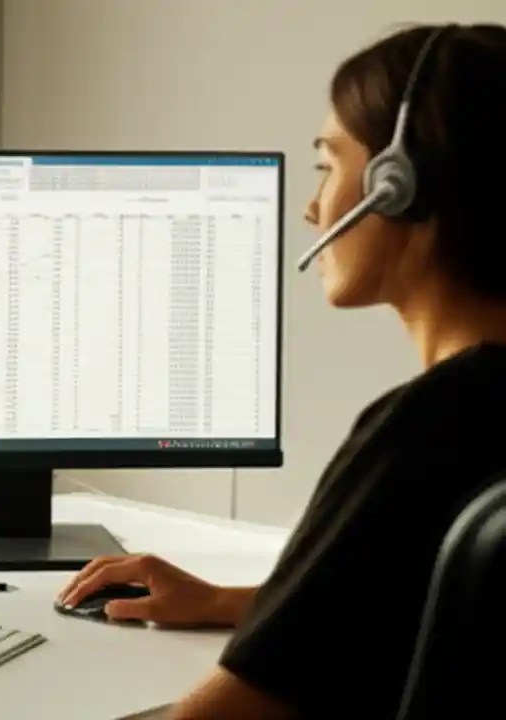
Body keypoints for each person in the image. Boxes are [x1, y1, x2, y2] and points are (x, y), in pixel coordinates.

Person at [56, 22, 506, 719]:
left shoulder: (427, 429)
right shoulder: (482, 409)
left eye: (327, 166)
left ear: (398, 186)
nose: (311, 207)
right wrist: (224, 602)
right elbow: (400, 604)